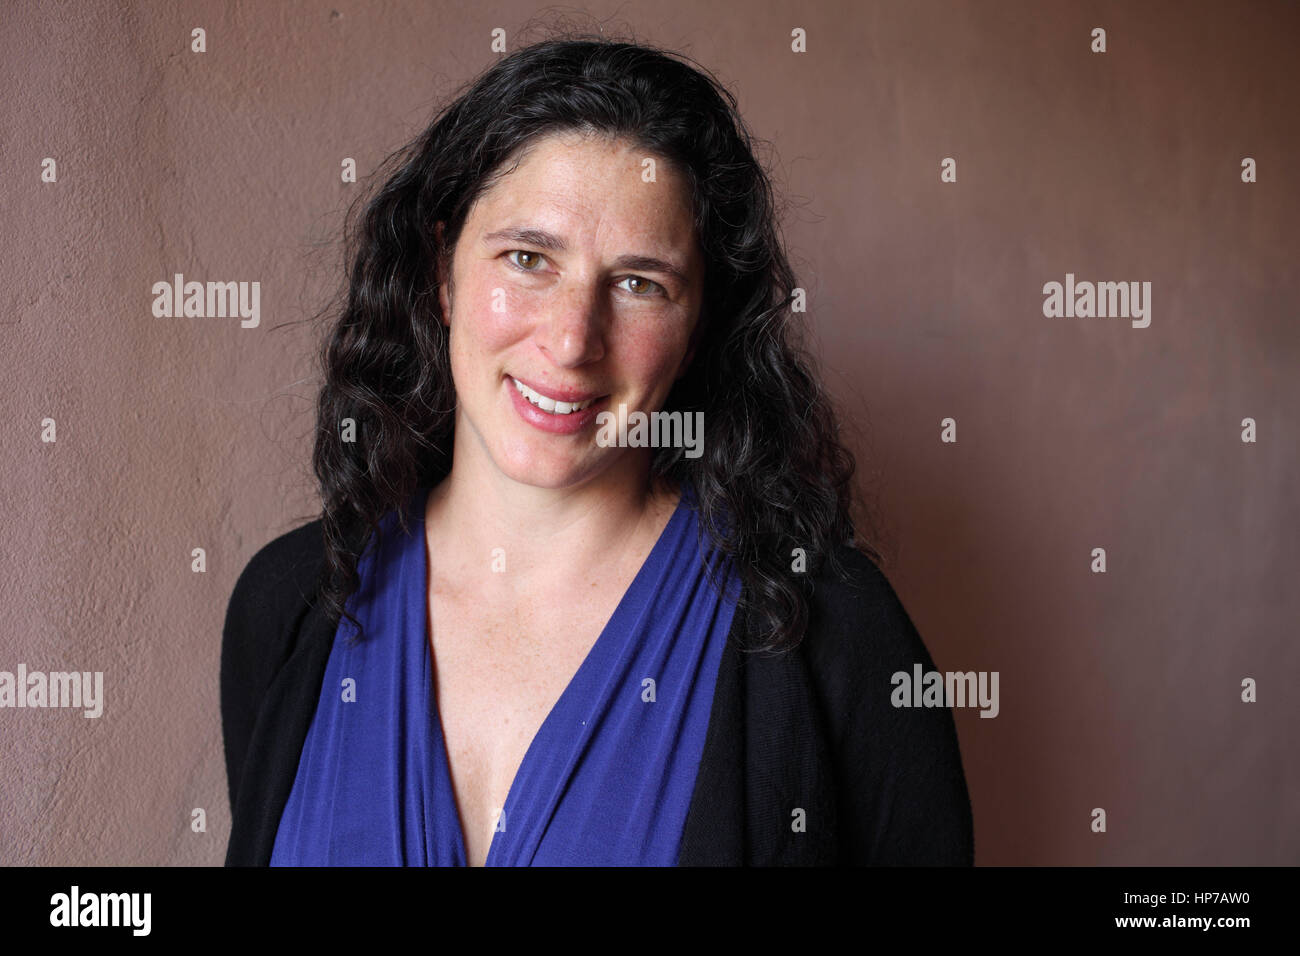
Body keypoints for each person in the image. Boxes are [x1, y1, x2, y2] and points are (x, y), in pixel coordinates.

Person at [221, 35, 974, 866]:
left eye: (639, 283)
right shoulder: (290, 604)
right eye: (528, 258)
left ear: (699, 328)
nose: (574, 340)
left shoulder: (832, 627)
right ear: (443, 272)